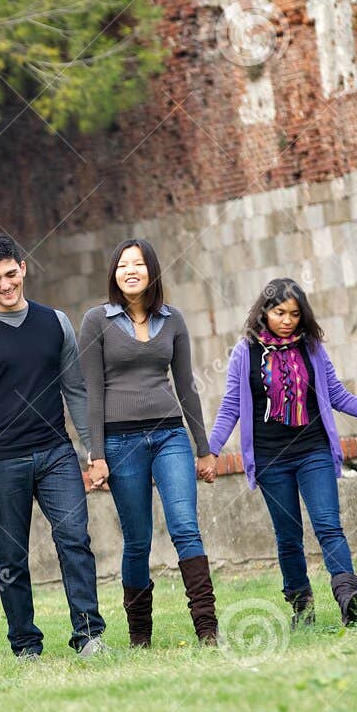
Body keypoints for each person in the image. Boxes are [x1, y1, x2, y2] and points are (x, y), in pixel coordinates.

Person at [0, 232, 107, 659]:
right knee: (11, 557)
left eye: (11, 274)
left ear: (24, 267)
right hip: (1, 463)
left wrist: (94, 451)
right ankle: (25, 643)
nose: (6, 284)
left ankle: (89, 634)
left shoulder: (55, 322)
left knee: (74, 538)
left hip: (57, 453)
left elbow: (75, 390)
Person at [209, 278, 357, 626]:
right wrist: (210, 451)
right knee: (288, 536)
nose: (287, 320)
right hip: (270, 460)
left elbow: (338, 396)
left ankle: (347, 595)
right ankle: (302, 607)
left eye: (295, 314)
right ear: (264, 312)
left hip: (314, 451)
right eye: (279, 312)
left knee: (329, 525)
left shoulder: (311, 348)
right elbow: (230, 408)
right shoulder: (244, 352)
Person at [80, 238, 217, 648]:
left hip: (170, 434)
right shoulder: (95, 321)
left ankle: (207, 629)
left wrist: (203, 447)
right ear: (114, 274)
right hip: (121, 444)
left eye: (138, 264)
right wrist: (97, 455)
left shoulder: (173, 320)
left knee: (185, 529)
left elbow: (186, 386)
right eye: (122, 265)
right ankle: (140, 635)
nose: (130, 271)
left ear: (152, 271)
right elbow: (93, 391)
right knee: (138, 539)